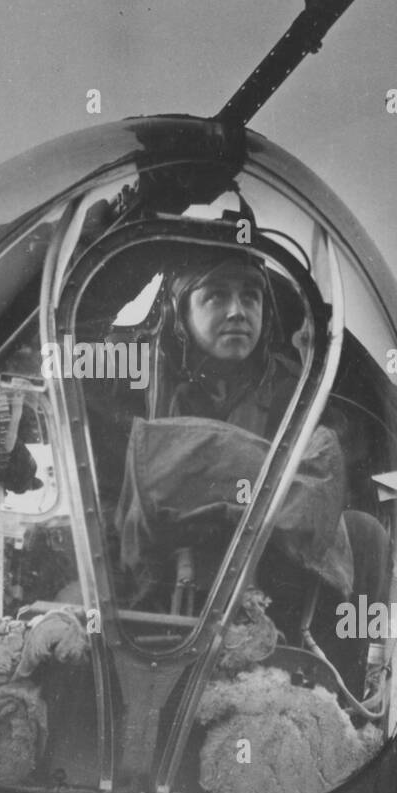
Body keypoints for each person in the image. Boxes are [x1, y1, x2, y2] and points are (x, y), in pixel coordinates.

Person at [114, 234, 355, 640]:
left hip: (271, 591)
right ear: (180, 311)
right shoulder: (132, 376)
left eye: (250, 297)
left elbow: (317, 487)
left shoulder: (297, 391)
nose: (238, 312)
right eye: (215, 296)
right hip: (151, 589)